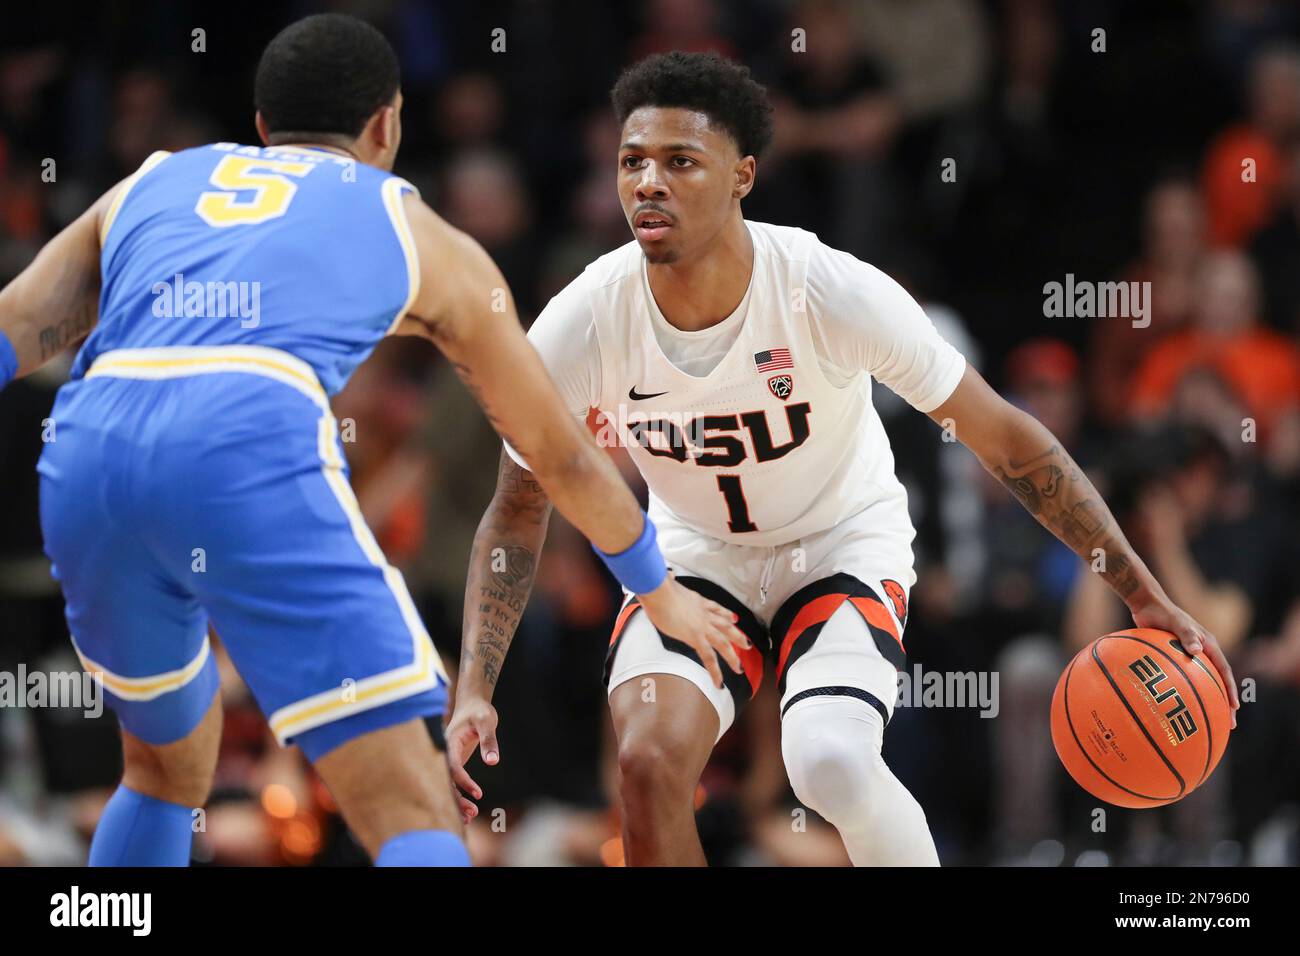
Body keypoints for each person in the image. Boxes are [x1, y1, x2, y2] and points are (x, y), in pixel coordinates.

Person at [445, 51, 1240, 867]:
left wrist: (1140, 592)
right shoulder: (581, 320)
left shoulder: (825, 290)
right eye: (632, 161)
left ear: (742, 175)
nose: (649, 182)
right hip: (691, 556)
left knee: (829, 761)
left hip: (838, 541)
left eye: (680, 161)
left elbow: (1008, 439)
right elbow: (516, 509)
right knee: (647, 767)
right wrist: (475, 682)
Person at [0, 15, 745, 867]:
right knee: (412, 803)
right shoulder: (411, 223)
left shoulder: (150, 184)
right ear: (387, 125)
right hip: (241, 446)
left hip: (87, 457)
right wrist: (658, 589)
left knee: (164, 771)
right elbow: (560, 451)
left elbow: (15, 329)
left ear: (260, 128)